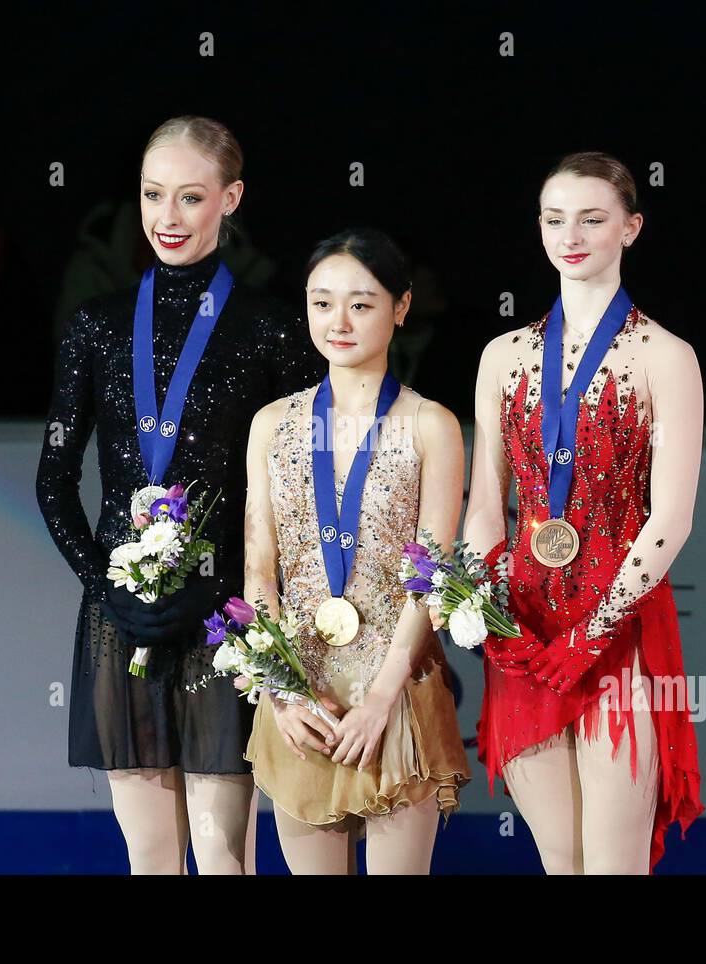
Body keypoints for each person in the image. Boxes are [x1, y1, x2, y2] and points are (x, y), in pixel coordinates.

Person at [35, 116, 325, 874]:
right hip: (121, 623)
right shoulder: (96, 326)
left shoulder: (271, 329)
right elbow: (55, 479)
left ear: (230, 198)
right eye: (152, 195)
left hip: (227, 622)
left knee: (225, 856)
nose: (167, 217)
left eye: (190, 197)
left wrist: (242, 592)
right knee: (151, 857)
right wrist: (106, 587)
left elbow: (299, 491)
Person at [463, 151, 705, 874]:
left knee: (612, 864)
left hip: (620, 629)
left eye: (593, 219)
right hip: (526, 629)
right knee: (560, 859)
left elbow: (672, 518)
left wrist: (592, 634)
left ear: (630, 227)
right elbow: (484, 502)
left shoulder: (667, 356)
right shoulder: (502, 356)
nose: (571, 234)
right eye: (555, 218)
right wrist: (488, 608)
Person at [241, 228, 470, 874]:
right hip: (303, 696)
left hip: (396, 694)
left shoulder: (431, 425)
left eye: (362, 304)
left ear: (401, 307)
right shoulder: (272, 424)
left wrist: (382, 696)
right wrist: (280, 691)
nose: (337, 321)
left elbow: (434, 574)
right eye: (321, 302)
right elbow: (260, 569)